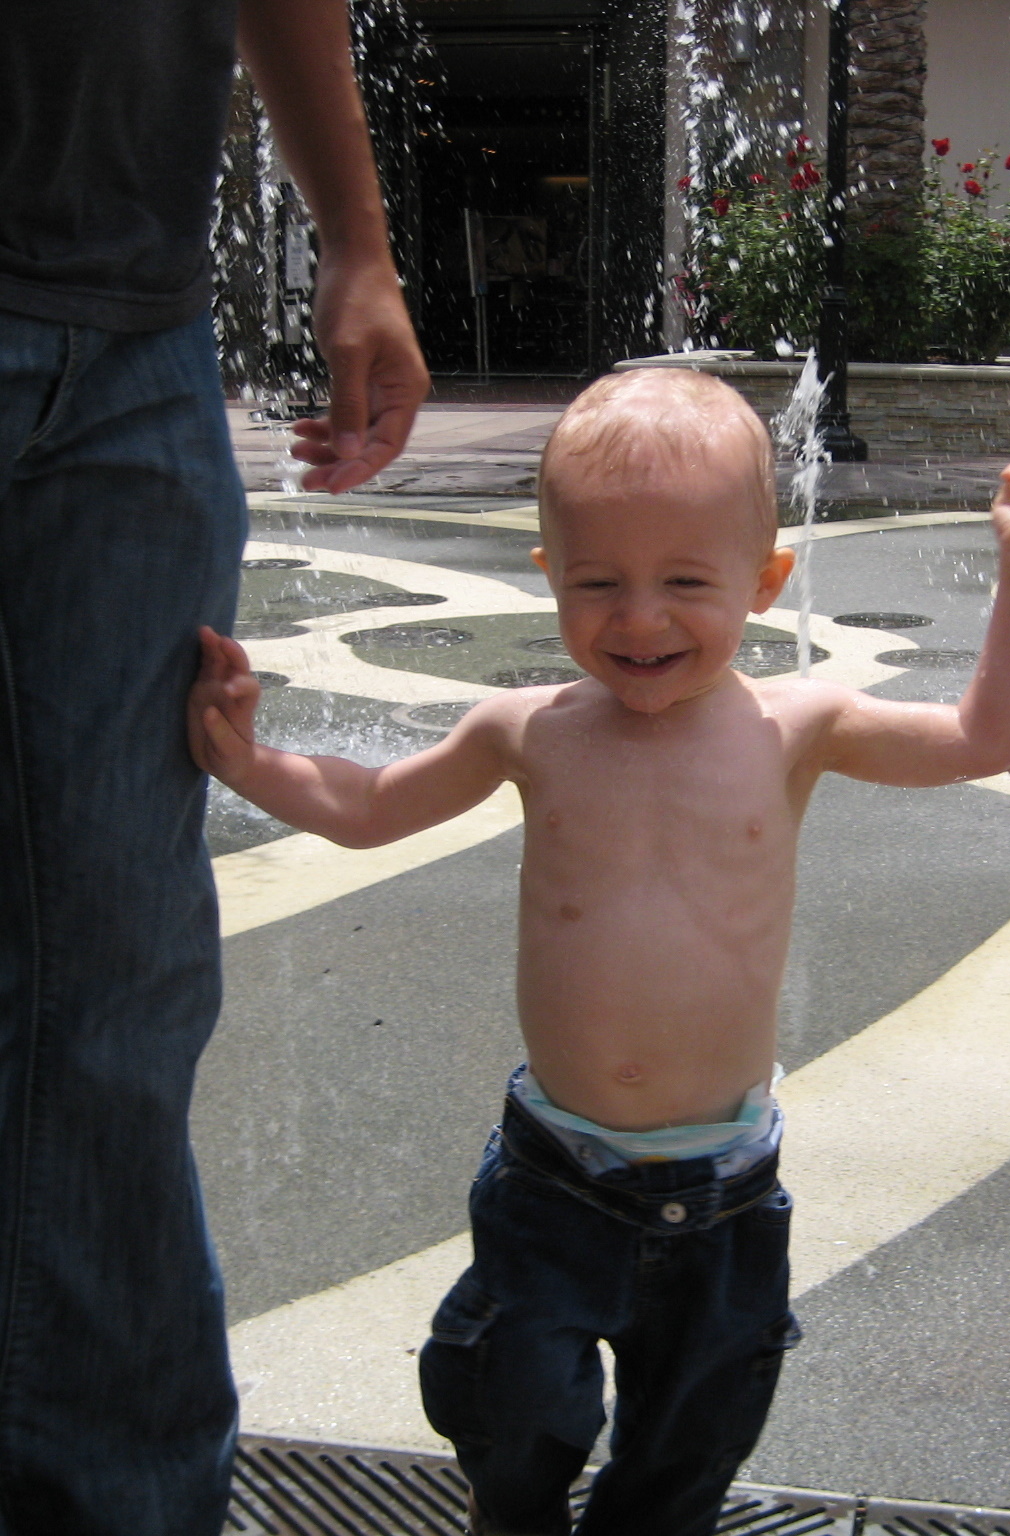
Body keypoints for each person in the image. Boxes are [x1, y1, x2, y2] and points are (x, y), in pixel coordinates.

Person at [187, 369, 1010, 1536]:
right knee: (510, 1413)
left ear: (765, 583)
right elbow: (369, 805)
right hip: (555, 1177)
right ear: (549, 576)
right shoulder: (530, 732)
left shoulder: (796, 728)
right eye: (599, 581)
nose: (641, 618)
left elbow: (983, 738)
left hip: (725, 1200)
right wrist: (254, 765)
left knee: (686, 1455)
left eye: (685, 584)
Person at [0, 1, 428, 1530]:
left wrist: (355, 244)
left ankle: (122, 1503)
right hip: (121, 336)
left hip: (136, 335)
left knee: (120, 973)